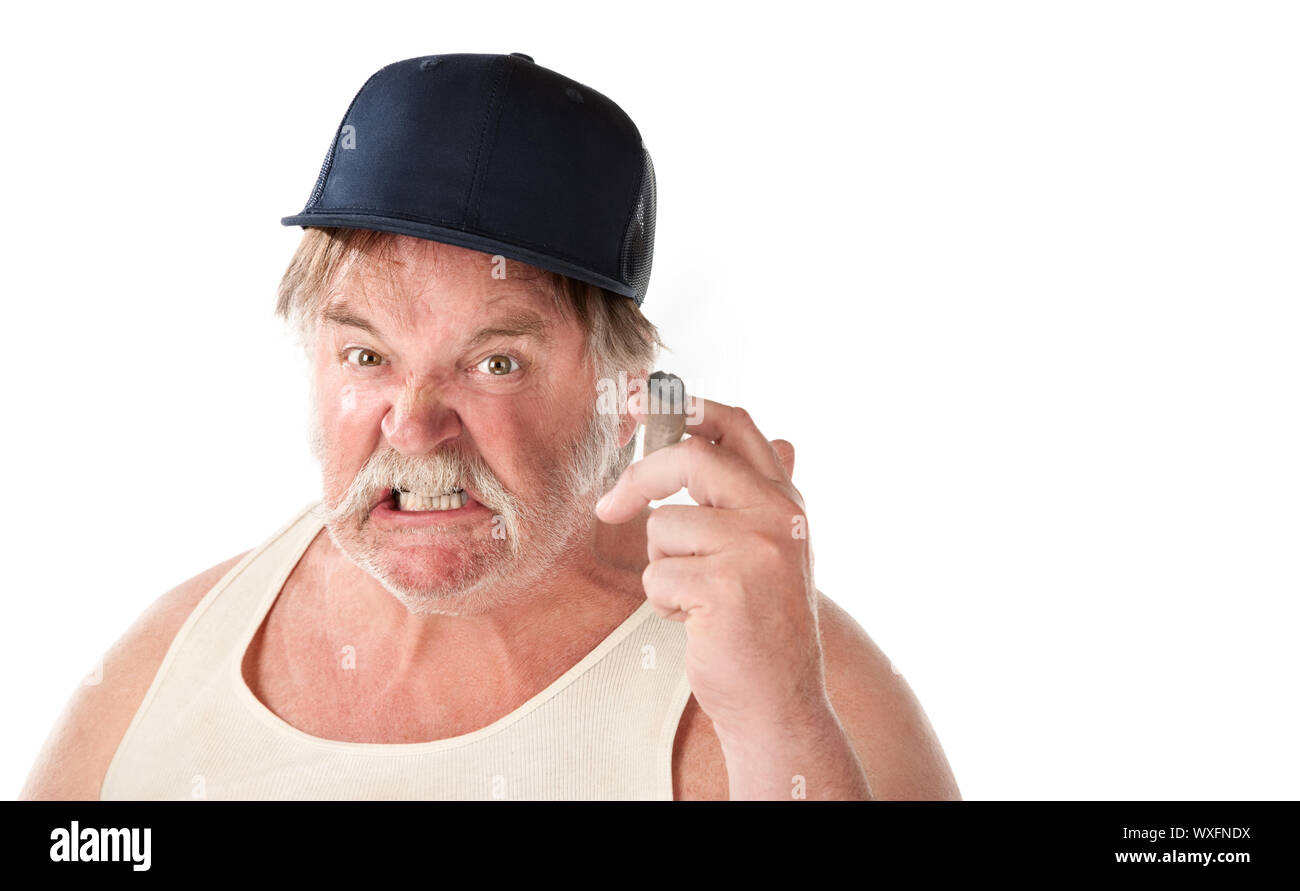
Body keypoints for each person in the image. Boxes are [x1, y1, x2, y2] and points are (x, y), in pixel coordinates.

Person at [21, 52, 959, 800]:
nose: (415, 426)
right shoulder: (179, 653)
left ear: (624, 393)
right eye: (367, 354)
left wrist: (778, 724)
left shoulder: (791, 685)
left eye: (494, 363)